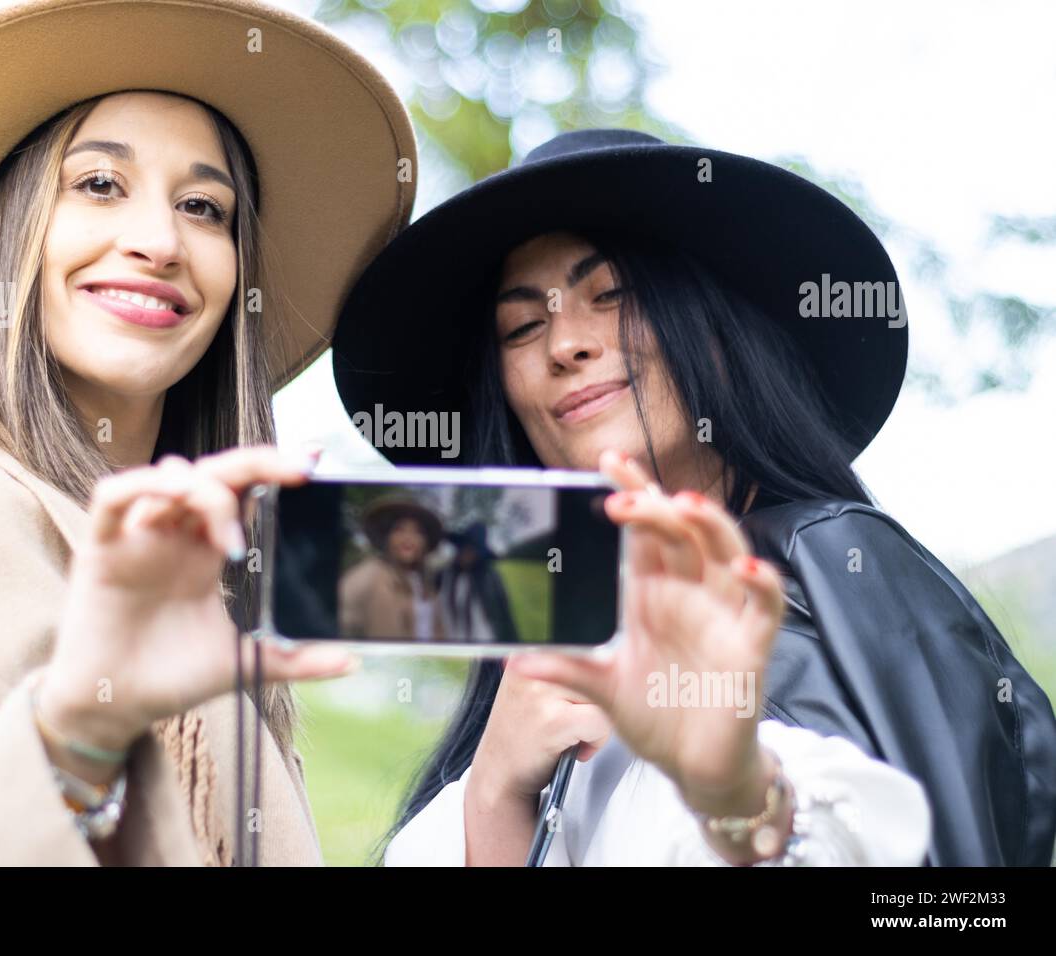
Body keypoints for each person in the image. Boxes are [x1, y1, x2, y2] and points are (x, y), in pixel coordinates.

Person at [0, 0, 416, 866]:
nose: (158, 241)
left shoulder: (195, 577)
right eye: (99, 184)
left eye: (203, 206)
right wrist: (72, 743)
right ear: (13, 240)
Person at [333, 129, 1056, 865]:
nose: (565, 345)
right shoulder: (523, 701)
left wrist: (736, 789)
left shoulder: (837, 565)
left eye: (610, 294)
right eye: (522, 327)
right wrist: (496, 803)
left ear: (714, 330)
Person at [339, 499, 447, 641]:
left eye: (417, 532)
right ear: (388, 538)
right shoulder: (371, 574)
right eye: (399, 529)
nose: (408, 538)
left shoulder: (423, 581)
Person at [438, 524, 520, 645]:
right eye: (465, 548)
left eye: (473, 550)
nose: (468, 554)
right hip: (451, 644)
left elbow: (504, 615)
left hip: (485, 643)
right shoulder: (444, 575)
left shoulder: (491, 577)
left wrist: (514, 645)